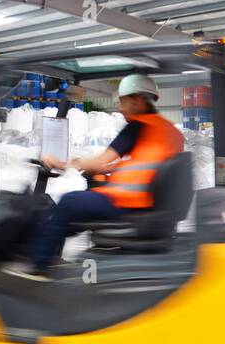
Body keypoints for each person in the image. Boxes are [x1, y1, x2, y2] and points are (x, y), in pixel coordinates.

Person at [18, 74, 184, 278]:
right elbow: (152, 164)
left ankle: (38, 266)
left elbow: (100, 161)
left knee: (69, 202)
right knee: (74, 211)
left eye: (122, 102)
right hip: (150, 203)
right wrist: (112, 169)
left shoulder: (139, 125)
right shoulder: (170, 131)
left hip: (128, 202)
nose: (120, 109)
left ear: (138, 100)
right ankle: (56, 256)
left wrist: (61, 163)